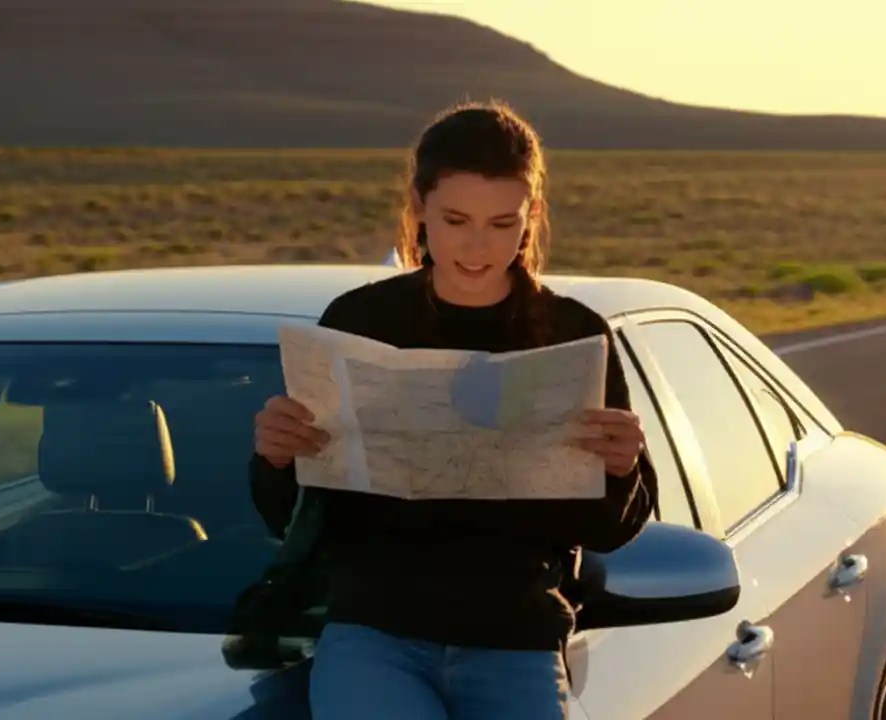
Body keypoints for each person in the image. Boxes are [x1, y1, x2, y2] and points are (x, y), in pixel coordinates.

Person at [248, 100, 658, 720]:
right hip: (373, 635)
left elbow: (608, 530)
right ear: (419, 209)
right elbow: (294, 515)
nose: (475, 246)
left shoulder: (573, 335)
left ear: (532, 217)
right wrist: (276, 456)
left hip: (516, 641)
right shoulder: (359, 322)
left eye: (501, 223)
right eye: (455, 219)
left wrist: (624, 468)